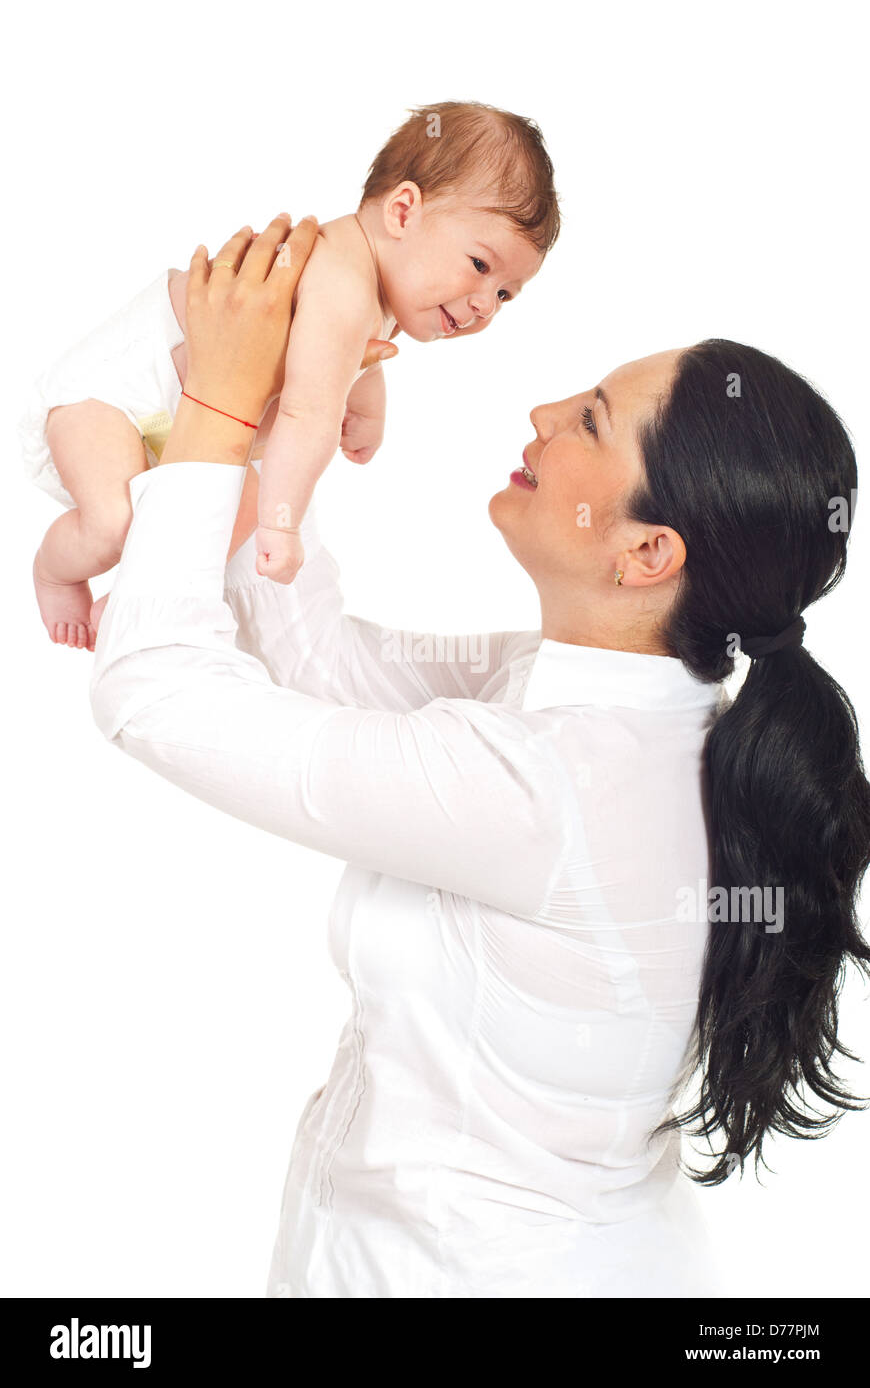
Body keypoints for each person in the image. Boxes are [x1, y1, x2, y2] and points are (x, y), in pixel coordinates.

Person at [89, 214, 870, 1298]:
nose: (545, 414)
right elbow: (321, 658)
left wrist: (214, 414)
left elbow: (155, 692)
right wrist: (275, 409)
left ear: (648, 552)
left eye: (591, 420)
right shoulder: (601, 705)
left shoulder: (550, 784)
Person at [20, 101, 558, 648]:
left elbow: (351, 359)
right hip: (115, 396)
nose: (486, 305)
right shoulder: (344, 285)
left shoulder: (373, 290)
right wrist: (285, 523)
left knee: (238, 507)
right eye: (481, 266)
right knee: (112, 523)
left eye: (505, 294)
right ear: (402, 212)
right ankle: (56, 572)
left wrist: (367, 406)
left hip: (185, 423)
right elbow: (306, 413)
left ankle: (136, 592)